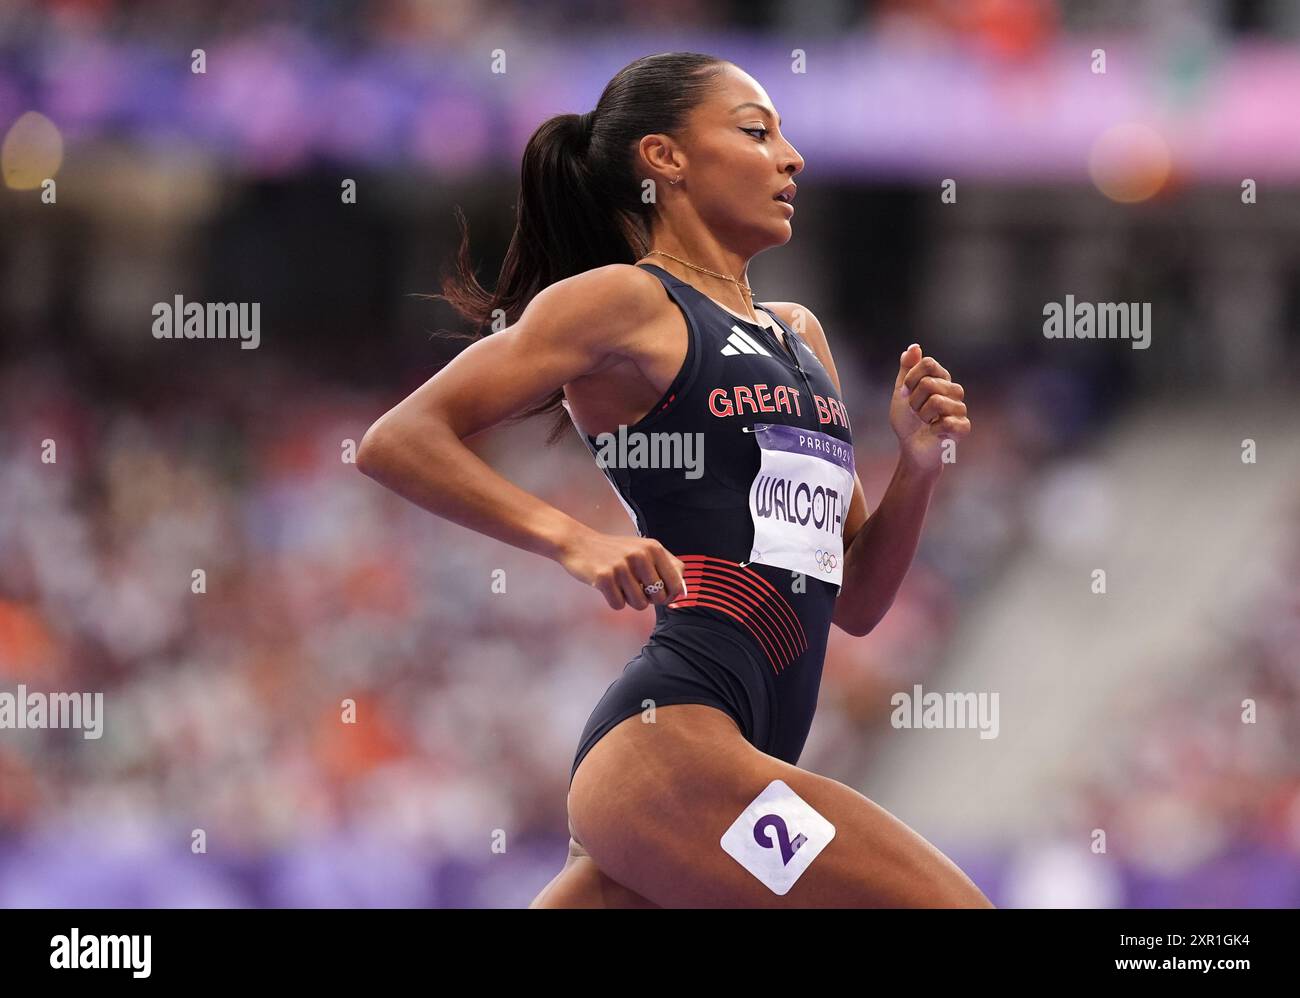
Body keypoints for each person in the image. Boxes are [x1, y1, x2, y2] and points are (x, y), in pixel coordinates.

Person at [356, 52, 990, 908]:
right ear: (666, 159)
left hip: (720, 766)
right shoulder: (625, 302)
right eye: (757, 132)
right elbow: (397, 440)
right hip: (673, 748)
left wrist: (914, 465)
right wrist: (572, 538)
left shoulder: (800, 335)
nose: (791, 157)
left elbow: (858, 602)